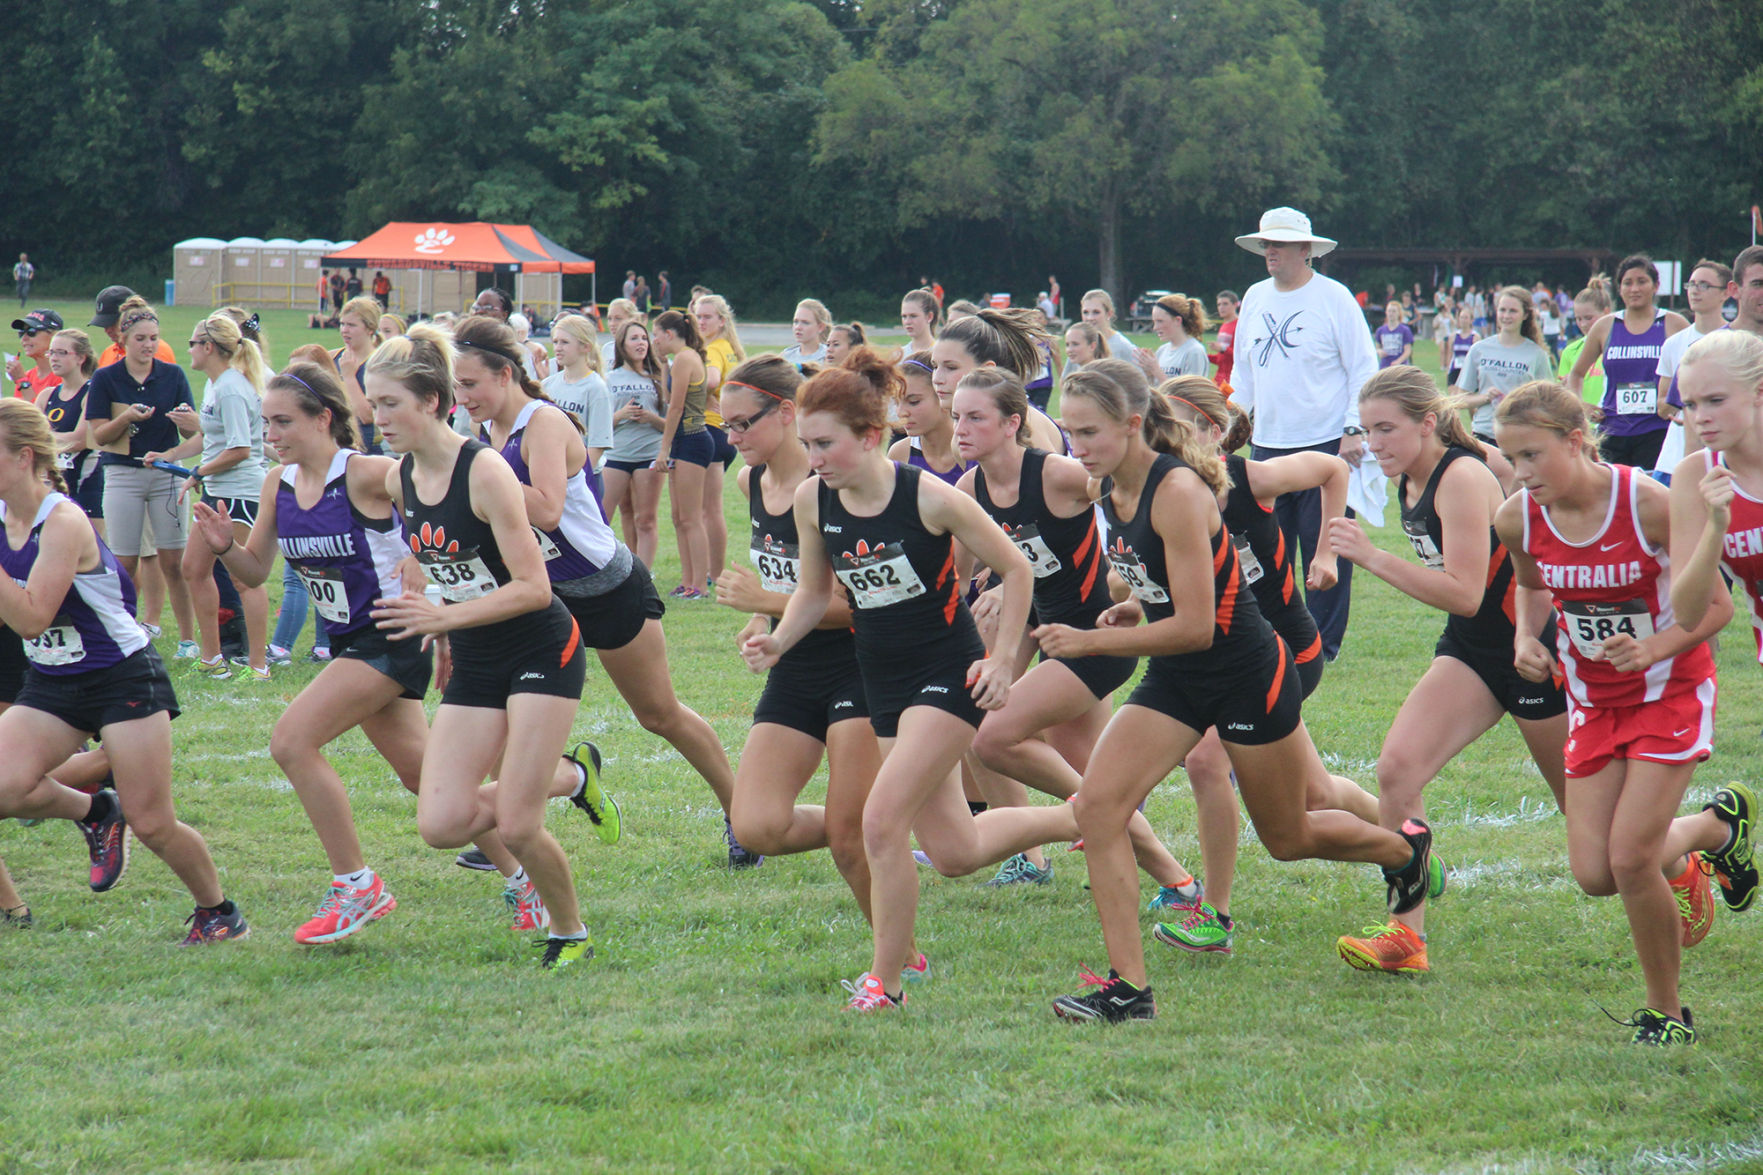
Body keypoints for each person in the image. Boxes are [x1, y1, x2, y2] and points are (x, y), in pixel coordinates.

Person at [1043, 357, 1433, 1023]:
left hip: (1246, 674)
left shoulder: (1178, 491)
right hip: (1177, 677)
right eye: (1067, 431)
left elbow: (1197, 626)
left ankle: (1404, 849)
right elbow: (1161, 585)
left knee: (1287, 837)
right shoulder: (1108, 488)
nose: (1074, 448)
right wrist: (1130, 605)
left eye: (1087, 433)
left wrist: (1089, 641)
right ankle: (1127, 991)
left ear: (1132, 425)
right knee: (1098, 808)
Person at [742, 356, 1083, 1013]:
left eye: (825, 443)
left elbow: (1016, 569)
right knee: (953, 850)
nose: (813, 459)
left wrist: (1004, 659)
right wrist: (778, 640)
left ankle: (886, 982)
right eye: (807, 444)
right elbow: (815, 592)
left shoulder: (929, 496)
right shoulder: (815, 499)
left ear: (869, 436)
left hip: (945, 675)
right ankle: (1085, 813)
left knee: (879, 820)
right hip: (883, 679)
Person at [454, 315, 747, 868]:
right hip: (541, 596)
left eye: (470, 384)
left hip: (606, 589)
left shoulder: (541, 422)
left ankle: (741, 814)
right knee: (500, 711)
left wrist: (478, 475)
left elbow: (545, 508)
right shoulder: (486, 434)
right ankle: (516, 828)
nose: (462, 397)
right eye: (456, 387)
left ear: (506, 374)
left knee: (659, 714)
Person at [1496, 380, 1739, 1044]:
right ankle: (1709, 831)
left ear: (1574, 441)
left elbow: (1715, 608)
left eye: (1530, 455)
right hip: (1591, 701)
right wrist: (1525, 637)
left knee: (1630, 857)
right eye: (1508, 457)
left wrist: (1653, 646)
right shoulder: (1517, 516)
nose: (1518, 473)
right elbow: (1527, 583)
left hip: (1669, 690)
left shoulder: (1650, 504)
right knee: (1594, 872)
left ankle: (1666, 1009)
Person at [1322, 367, 1568, 973]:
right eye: (1366, 430)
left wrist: (1371, 556)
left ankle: (1701, 843)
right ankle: (1406, 937)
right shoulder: (1421, 473)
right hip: (1472, 649)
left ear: (1427, 423)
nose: (1374, 443)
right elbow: (1505, 487)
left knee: (1592, 830)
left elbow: (1463, 590)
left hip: (1531, 651)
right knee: (1397, 769)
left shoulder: (1459, 474)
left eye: (1387, 430)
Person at [365, 325, 594, 971]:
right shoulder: (399, 478)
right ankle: (572, 776)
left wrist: (442, 617)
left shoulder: (485, 470)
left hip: (541, 645)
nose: (378, 419)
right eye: (373, 404)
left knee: (518, 822)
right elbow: (443, 552)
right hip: (475, 651)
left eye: (390, 404)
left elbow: (532, 586)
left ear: (432, 401)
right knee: (441, 823)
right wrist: (440, 609)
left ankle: (569, 930)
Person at [195, 360, 434, 943]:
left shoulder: (368, 473)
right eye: (265, 424)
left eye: (281, 423)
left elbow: (443, 493)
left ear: (323, 418)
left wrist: (421, 555)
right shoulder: (277, 483)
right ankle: (527, 866)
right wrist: (226, 548)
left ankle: (356, 887)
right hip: (351, 641)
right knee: (426, 778)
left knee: (291, 741)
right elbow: (255, 572)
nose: (269, 436)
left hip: (391, 634)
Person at [0, 398, 247, 942]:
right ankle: (95, 811)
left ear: (22, 457)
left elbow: (34, 618)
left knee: (154, 820)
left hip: (122, 676)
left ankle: (219, 912)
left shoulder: (61, 521)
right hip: (52, 682)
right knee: (4, 785)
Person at [1150, 377, 1382, 953]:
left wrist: (1326, 552)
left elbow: (1334, 470)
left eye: (1174, 426)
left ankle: (1216, 918)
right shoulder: (1161, 492)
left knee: (1206, 761)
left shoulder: (1252, 478)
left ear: (1213, 430)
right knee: (1318, 794)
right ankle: (1411, 839)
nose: (1162, 439)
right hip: (1226, 659)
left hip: (1287, 650)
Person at [956, 364, 1199, 895]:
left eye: (975, 417)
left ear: (1010, 423)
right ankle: (1174, 882)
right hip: (1045, 631)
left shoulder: (1058, 475)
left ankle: (1090, 816)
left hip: (1096, 638)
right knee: (1088, 773)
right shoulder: (972, 484)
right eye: (957, 417)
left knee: (993, 736)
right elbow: (961, 569)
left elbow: (1133, 497)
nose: (961, 429)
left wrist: (1134, 589)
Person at [716, 356, 878, 906]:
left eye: (743, 423)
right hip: (797, 666)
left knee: (861, 842)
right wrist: (761, 621)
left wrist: (765, 602)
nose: (733, 437)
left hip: (860, 666)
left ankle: (898, 960)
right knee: (757, 826)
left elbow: (854, 607)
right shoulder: (750, 481)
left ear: (786, 412)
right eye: (726, 426)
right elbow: (781, 573)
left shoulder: (834, 482)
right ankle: (870, 826)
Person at [1230, 206, 1377, 662]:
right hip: (1268, 444)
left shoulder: (1334, 298)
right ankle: (1276, 637)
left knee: (1326, 546)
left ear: (1305, 250)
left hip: (1327, 444)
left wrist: (1353, 429)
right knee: (1268, 549)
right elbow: (1243, 371)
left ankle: (1323, 645)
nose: (1269, 251)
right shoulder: (1254, 296)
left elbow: (1363, 369)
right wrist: (1229, 423)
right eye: (1265, 243)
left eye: (1278, 243)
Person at [1669, 330, 1763, 916]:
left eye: (1714, 401)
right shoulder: (1696, 478)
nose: (1700, 417)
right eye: (1690, 404)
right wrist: (1715, 526)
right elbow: (1686, 610)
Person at [144, 313, 271, 681]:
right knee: (193, 570)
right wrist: (171, 457)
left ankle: (258, 666)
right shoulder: (216, 385)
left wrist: (199, 472)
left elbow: (241, 449)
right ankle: (213, 660)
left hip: (240, 496)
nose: (189, 350)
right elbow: (212, 440)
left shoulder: (231, 388)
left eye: (193, 343)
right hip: (218, 491)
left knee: (245, 581)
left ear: (209, 347)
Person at [84, 301, 198, 654]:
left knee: (173, 561)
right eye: (141, 339)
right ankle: (123, 634)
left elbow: (196, 434)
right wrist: (127, 418)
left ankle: (188, 640)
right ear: (123, 340)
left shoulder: (173, 375)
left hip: (165, 476)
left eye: (154, 338)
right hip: (122, 474)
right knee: (125, 561)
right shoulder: (106, 377)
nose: (148, 345)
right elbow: (98, 436)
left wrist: (175, 447)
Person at [1567, 254, 1690, 468]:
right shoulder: (1606, 326)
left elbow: (1695, 371)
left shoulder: (1673, 323)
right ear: (1619, 288)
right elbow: (1576, 374)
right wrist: (1581, 406)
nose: (1634, 289)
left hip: (1657, 430)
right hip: (1613, 431)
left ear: (1655, 286)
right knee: (1615, 498)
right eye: (1628, 283)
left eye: (1642, 281)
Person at [1452, 284, 1554, 489]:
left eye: (1513, 311)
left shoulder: (1536, 354)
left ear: (1525, 315)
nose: (1506, 315)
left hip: (1520, 438)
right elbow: (1459, 399)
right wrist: (1483, 398)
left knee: (1514, 501)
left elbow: (1550, 403)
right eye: (1502, 310)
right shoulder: (1479, 349)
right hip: (1484, 435)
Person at [651, 310, 714, 599]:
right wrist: (663, 365)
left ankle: (699, 585)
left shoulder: (687, 358)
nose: (654, 341)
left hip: (692, 440)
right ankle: (687, 580)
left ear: (669, 334)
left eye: (656, 334)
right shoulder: (678, 361)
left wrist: (663, 449)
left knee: (690, 517)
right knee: (678, 517)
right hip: (682, 442)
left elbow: (675, 410)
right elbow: (667, 399)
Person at [1653, 260, 1735, 471]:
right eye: (1691, 285)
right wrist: (1685, 411)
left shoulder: (1736, 342)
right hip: (1674, 459)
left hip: (1725, 457)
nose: (1695, 291)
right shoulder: (1673, 344)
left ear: (1726, 293)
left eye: (1704, 285)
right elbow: (1662, 406)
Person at [601, 320, 667, 568]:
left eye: (643, 338)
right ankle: (604, 569)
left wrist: (651, 418)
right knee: (602, 517)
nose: (640, 343)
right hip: (617, 455)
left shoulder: (659, 377)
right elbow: (599, 423)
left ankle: (644, 575)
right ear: (621, 344)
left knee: (646, 520)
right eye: (634, 338)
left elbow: (670, 423)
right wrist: (621, 415)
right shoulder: (609, 378)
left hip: (649, 454)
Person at [692, 293, 746, 584]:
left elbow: (711, 380)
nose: (701, 322)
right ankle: (714, 571)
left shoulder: (713, 349)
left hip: (711, 431)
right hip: (723, 434)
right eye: (698, 316)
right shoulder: (729, 348)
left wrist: (693, 394)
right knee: (710, 509)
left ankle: (712, 573)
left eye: (707, 317)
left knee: (707, 511)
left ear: (721, 321)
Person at [41, 329, 104, 535]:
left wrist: (43, 439)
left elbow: (80, 440)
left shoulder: (93, 392)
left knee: (93, 555)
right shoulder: (47, 396)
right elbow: (27, 435)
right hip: (52, 484)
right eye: (51, 353)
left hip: (88, 485)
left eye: (61, 352)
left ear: (81, 358)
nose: (54, 358)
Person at [541, 314, 611, 489]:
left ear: (585, 346)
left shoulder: (595, 388)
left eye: (565, 342)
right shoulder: (548, 385)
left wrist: (573, 479)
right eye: (555, 342)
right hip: (552, 476)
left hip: (583, 479)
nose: (558, 348)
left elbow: (597, 445)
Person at [333, 296, 384, 454]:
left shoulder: (380, 363)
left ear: (370, 328)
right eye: (342, 324)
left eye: (351, 325)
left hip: (369, 451)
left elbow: (368, 416)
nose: (344, 330)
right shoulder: (332, 357)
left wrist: (349, 377)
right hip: (337, 448)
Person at [1559, 276, 1612, 407]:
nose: (1583, 324)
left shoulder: (1620, 347)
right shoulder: (1571, 351)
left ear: (1606, 312)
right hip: (1583, 424)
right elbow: (1560, 396)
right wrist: (1565, 386)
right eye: (1578, 319)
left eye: (1588, 318)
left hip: (1615, 423)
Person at [1145, 294, 1210, 380]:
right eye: (1154, 322)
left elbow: (1190, 391)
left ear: (1177, 320)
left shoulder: (1194, 351)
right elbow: (1155, 389)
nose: (1155, 327)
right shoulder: (1162, 350)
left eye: (1160, 321)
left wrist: (1157, 371)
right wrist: (1148, 371)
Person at [9, 309, 63, 401]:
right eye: (21, 332)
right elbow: (18, 413)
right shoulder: (28, 375)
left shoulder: (64, 375)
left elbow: (40, 414)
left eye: (31, 332)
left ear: (54, 335)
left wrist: (22, 382)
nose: (24, 338)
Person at [781, 299, 832, 368]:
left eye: (805, 322)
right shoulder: (786, 356)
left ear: (820, 327)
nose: (798, 327)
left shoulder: (829, 355)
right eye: (796, 322)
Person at [1210, 290, 1239, 389]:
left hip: (1232, 379)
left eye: (1225, 304)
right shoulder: (1223, 326)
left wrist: (1223, 349)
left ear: (1235, 304)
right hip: (1219, 378)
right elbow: (1221, 360)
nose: (1221, 307)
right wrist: (1206, 356)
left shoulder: (1239, 326)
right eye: (1219, 304)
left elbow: (1239, 356)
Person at [900, 289, 941, 357]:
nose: (907, 321)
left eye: (913, 316)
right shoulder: (899, 356)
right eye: (904, 316)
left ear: (929, 317)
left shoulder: (941, 354)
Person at [1445, 305, 1478, 387]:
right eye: (1461, 317)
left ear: (1471, 320)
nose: (1463, 320)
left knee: (1465, 397)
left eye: (1466, 318)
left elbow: (1477, 357)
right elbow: (1449, 354)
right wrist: (1447, 369)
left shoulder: (1475, 337)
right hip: (1454, 370)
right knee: (1453, 397)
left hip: (1468, 371)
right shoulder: (1453, 336)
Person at [1374, 301, 1414, 368]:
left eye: (1394, 311)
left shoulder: (1405, 330)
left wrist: (1398, 361)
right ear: (1386, 312)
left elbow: (1408, 350)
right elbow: (1377, 348)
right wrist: (1379, 351)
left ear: (1399, 313)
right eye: (1389, 311)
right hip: (1384, 367)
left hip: (1400, 367)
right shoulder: (1380, 330)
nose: (1391, 314)